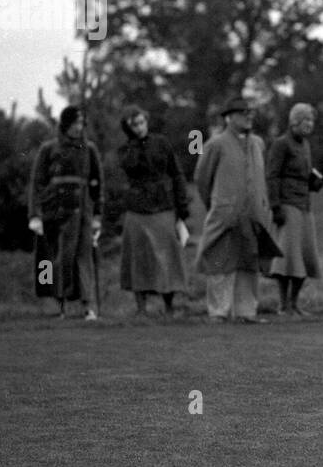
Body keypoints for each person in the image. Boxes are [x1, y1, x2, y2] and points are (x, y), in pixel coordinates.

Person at [193, 97, 277, 323]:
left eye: (250, 112)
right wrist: (219, 204)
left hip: (253, 216)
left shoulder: (258, 143)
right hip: (225, 215)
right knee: (220, 263)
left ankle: (246, 312)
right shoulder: (215, 144)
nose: (248, 116)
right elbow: (202, 179)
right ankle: (218, 312)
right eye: (242, 113)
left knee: (249, 263)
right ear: (229, 117)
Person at [28, 105, 104, 320]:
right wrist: (34, 214)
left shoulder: (89, 149)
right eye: (75, 123)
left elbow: (98, 185)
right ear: (66, 125)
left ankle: (87, 305)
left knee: (84, 256)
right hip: (56, 210)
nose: (79, 128)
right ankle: (59, 305)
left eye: (82, 123)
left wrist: (98, 215)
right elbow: (37, 182)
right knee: (59, 258)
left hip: (83, 211)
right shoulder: (48, 149)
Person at [117, 106, 190, 316]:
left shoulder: (162, 143)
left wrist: (182, 206)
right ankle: (141, 309)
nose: (139, 128)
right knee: (138, 259)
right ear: (128, 128)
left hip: (162, 204)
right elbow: (129, 166)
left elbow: (176, 174)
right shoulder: (126, 149)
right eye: (134, 125)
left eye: (141, 122)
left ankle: (169, 307)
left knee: (166, 256)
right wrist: (134, 143)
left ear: (146, 121)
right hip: (137, 207)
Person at [266, 103, 323, 316]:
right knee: (286, 257)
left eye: (311, 120)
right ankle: (283, 304)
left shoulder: (305, 145)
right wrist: (275, 206)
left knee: (305, 254)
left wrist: (314, 182)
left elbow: (305, 173)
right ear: (294, 122)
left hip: (305, 205)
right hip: (287, 204)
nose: (309, 124)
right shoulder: (281, 144)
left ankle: (294, 303)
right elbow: (272, 175)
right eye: (305, 120)